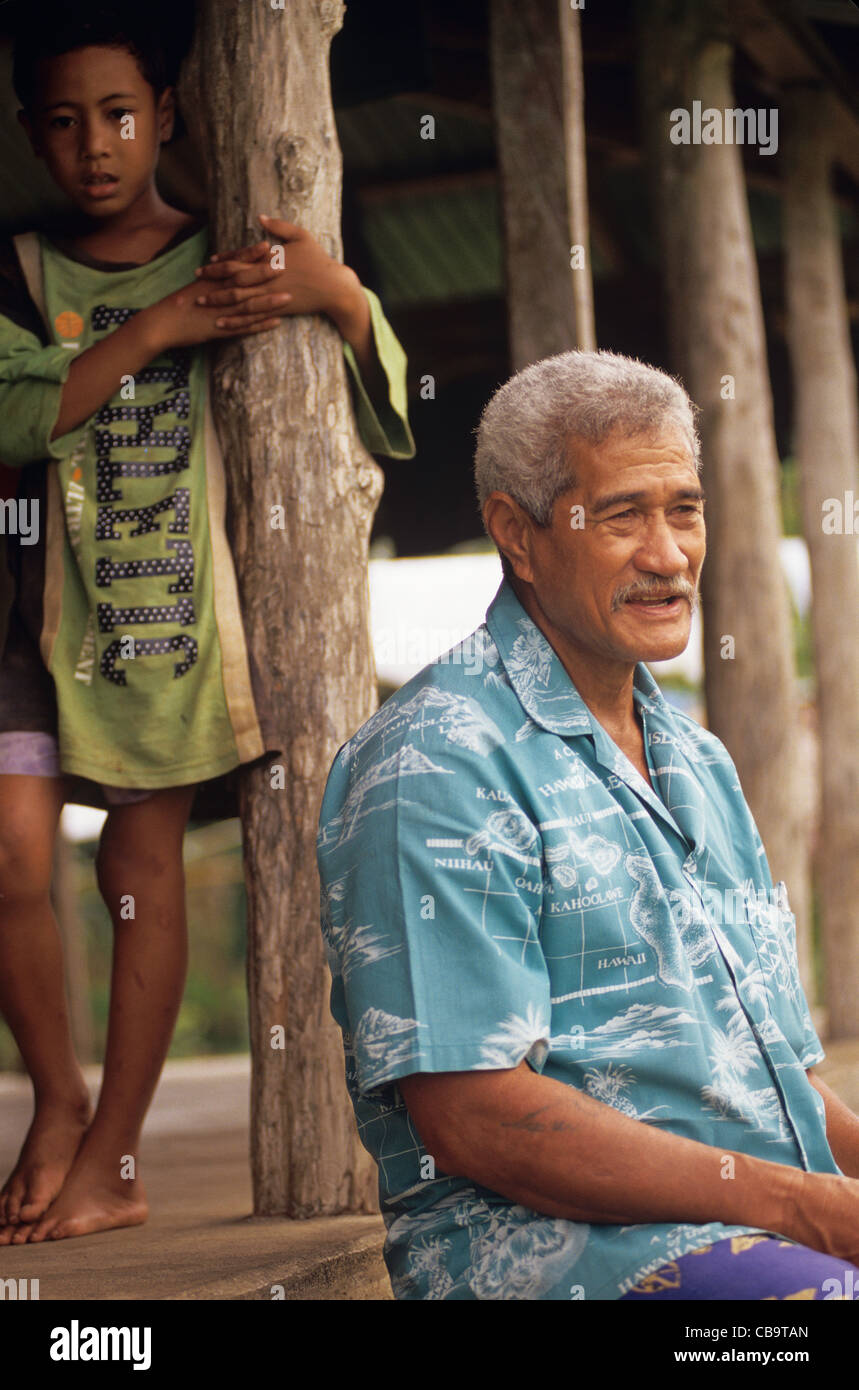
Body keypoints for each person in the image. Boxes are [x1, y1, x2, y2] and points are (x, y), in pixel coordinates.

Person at [317, 349, 859, 1300]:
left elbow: (770, 1079)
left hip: (760, 1229)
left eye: (682, 509)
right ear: (515, 536)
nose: (667, 555)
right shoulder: (433, 760)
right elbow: (477, 1117)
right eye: (621, 516)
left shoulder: (700, 760)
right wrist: (804, 1208)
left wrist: (816, 1195)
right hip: (554, 1261)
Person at [0, 4, 414, 1245]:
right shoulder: (19, 273)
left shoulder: (229, 253)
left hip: (163, 625)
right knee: (13, 859)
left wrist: (340, 294)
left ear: (167, 115)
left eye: (119, 115)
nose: (95, 146)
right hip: (26, 614)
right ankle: (59, 1100)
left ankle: (116, 1159)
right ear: (30, 134)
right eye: (64, 123)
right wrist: (159, 332)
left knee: (136, 870)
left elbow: (384, 394)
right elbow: (19, 416)